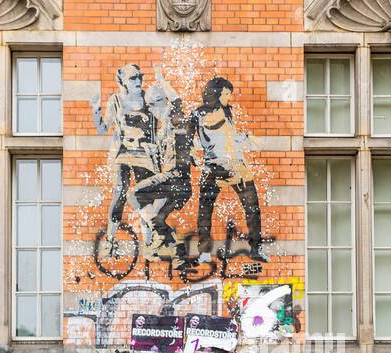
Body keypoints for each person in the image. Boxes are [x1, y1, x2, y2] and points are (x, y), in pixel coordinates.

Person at [190, 77, 265, 260]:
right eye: (226, 93)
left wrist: (246, 138)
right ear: (216, 93)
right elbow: (190, 139)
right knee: (205, 210)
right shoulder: (199, 115)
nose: (229, 97)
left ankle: (256, 248)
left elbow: (229, 139)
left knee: (252, 206)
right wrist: (191, 152)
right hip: (214, 167)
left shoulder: (227, 112)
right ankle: (205, 251)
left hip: (235, 166)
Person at [90, 64, 159, 247]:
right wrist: (95, 110)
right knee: (121, 190)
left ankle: (149, 242)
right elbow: (103, 129)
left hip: (144, 155)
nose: (138, 81)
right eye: (133, 78)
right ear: (123, 82)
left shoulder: (148, 99)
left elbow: (158, 127)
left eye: (140, 77)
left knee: (145, 196)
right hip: (122, 154)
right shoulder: (116, 100)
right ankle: (111, 238)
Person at [132, 73, 194, 258]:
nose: (150, 110)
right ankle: (178, 252)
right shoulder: (162, 132)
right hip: (174, 184)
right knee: (157, 217)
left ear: (162, 101)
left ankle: (162, 236)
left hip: (176, 179)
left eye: (151, 105)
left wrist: (161, 79)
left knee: (135, 193)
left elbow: (176, 101)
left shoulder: (175, 120)